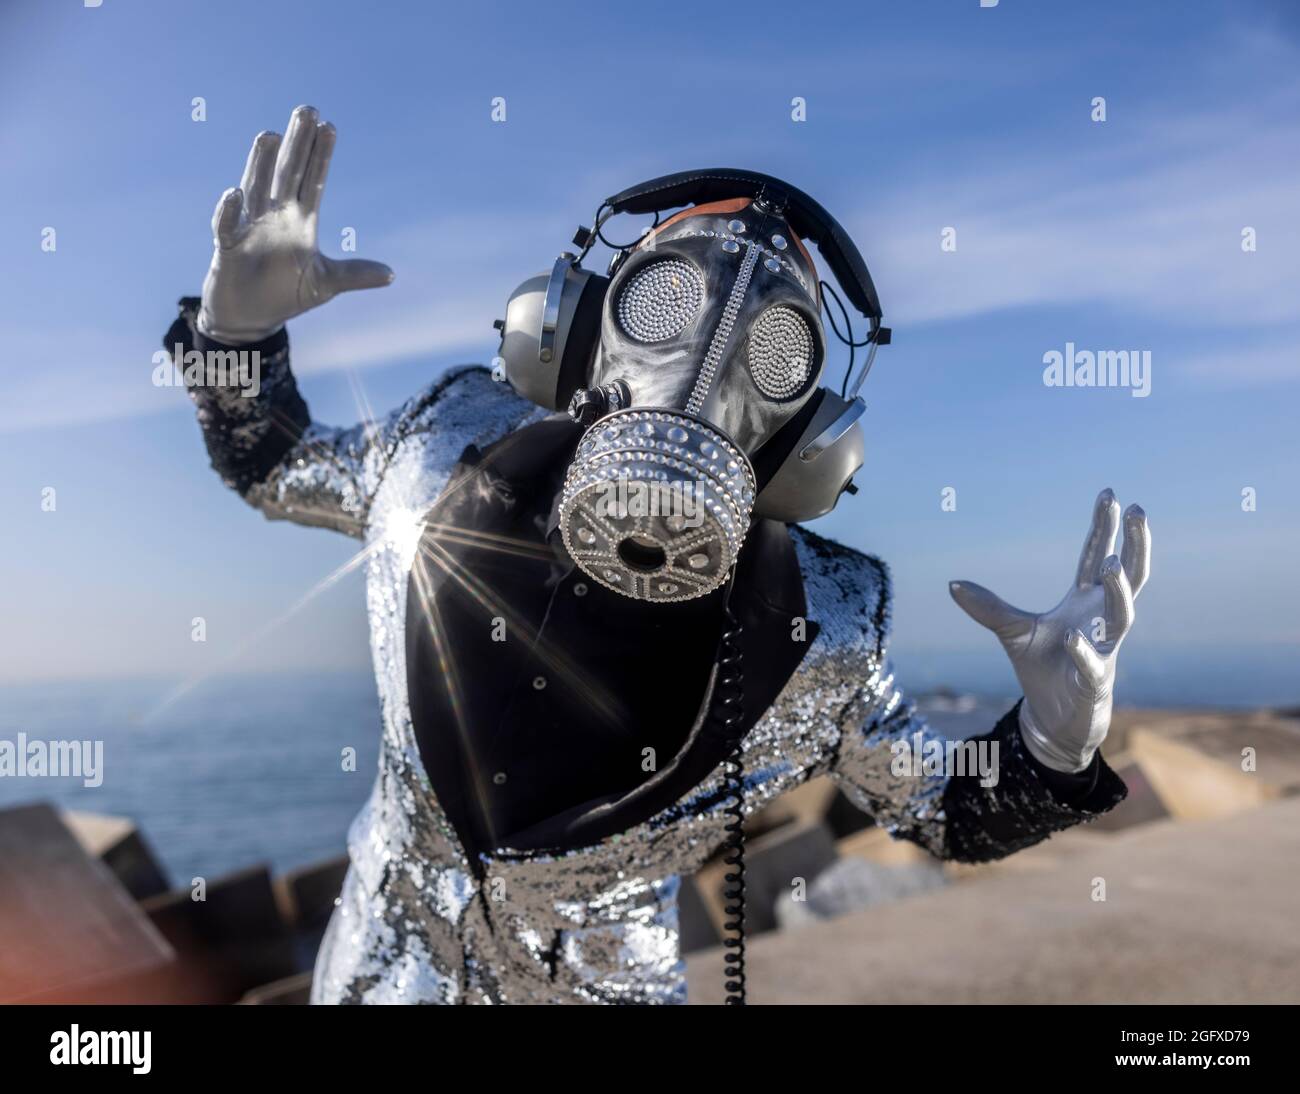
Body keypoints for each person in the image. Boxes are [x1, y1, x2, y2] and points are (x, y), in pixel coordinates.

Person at [164, 106, 1151, 1004]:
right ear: (571, 331)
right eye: (665, 302)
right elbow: (275, 463)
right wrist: (233, 335)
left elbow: (941, 809)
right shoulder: (436, 447)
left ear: (806, 441)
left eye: (772, 356)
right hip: (376, 977)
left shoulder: (827, 626)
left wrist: (1051, 745)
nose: (702, 365)